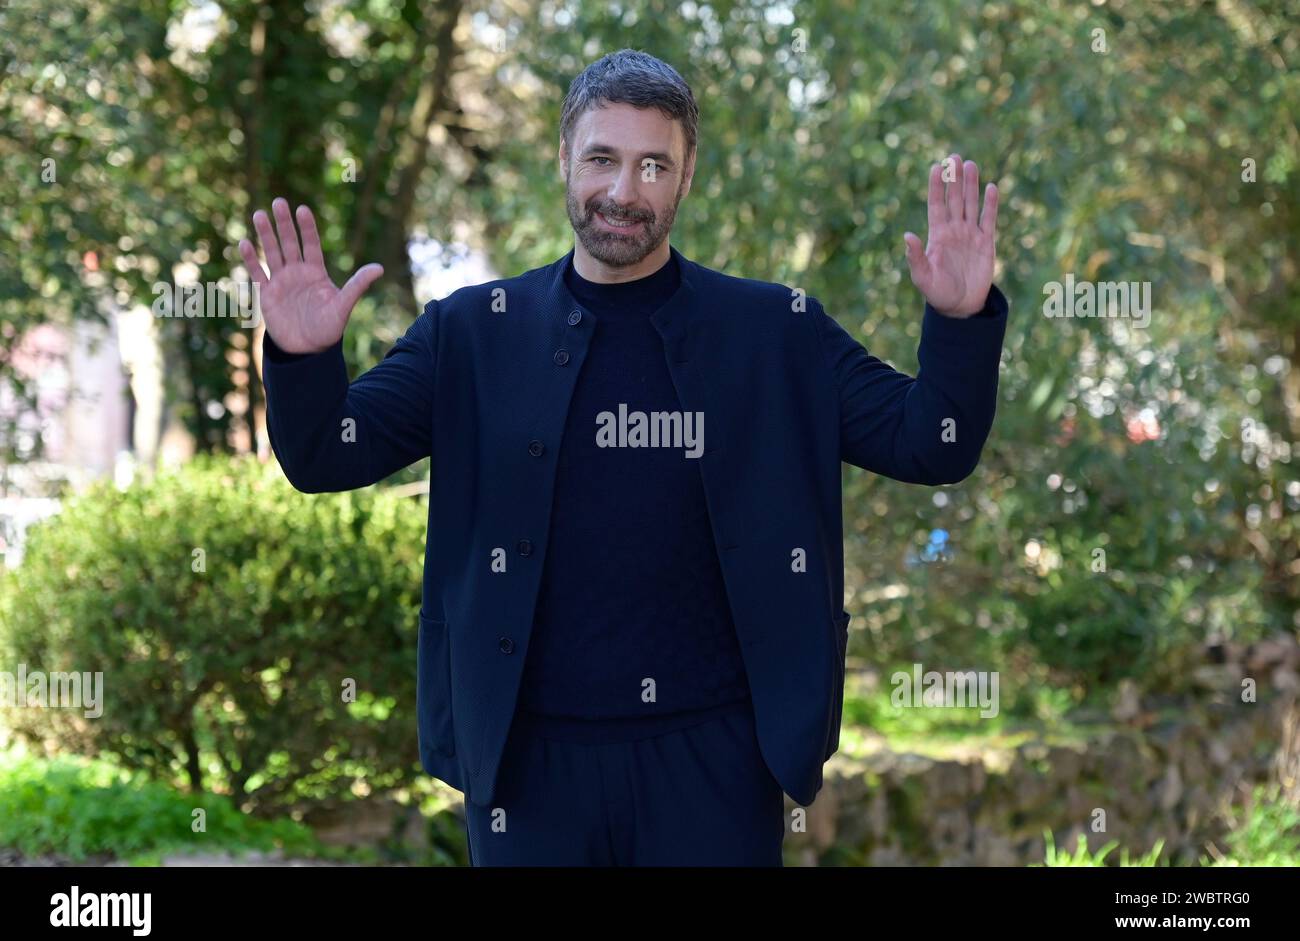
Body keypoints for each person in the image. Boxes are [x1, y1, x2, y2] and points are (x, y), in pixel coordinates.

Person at [243, 49, 1008, 866]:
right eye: (603, 159)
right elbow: (324, 455)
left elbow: (934, 445)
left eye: (653, 166)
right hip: (526, 769)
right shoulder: (470, 332)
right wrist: (303, 358)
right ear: (565, 160)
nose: (623, 191)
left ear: (686, 179)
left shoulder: (776, 332)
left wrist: (960, 323)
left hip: (716, 763)